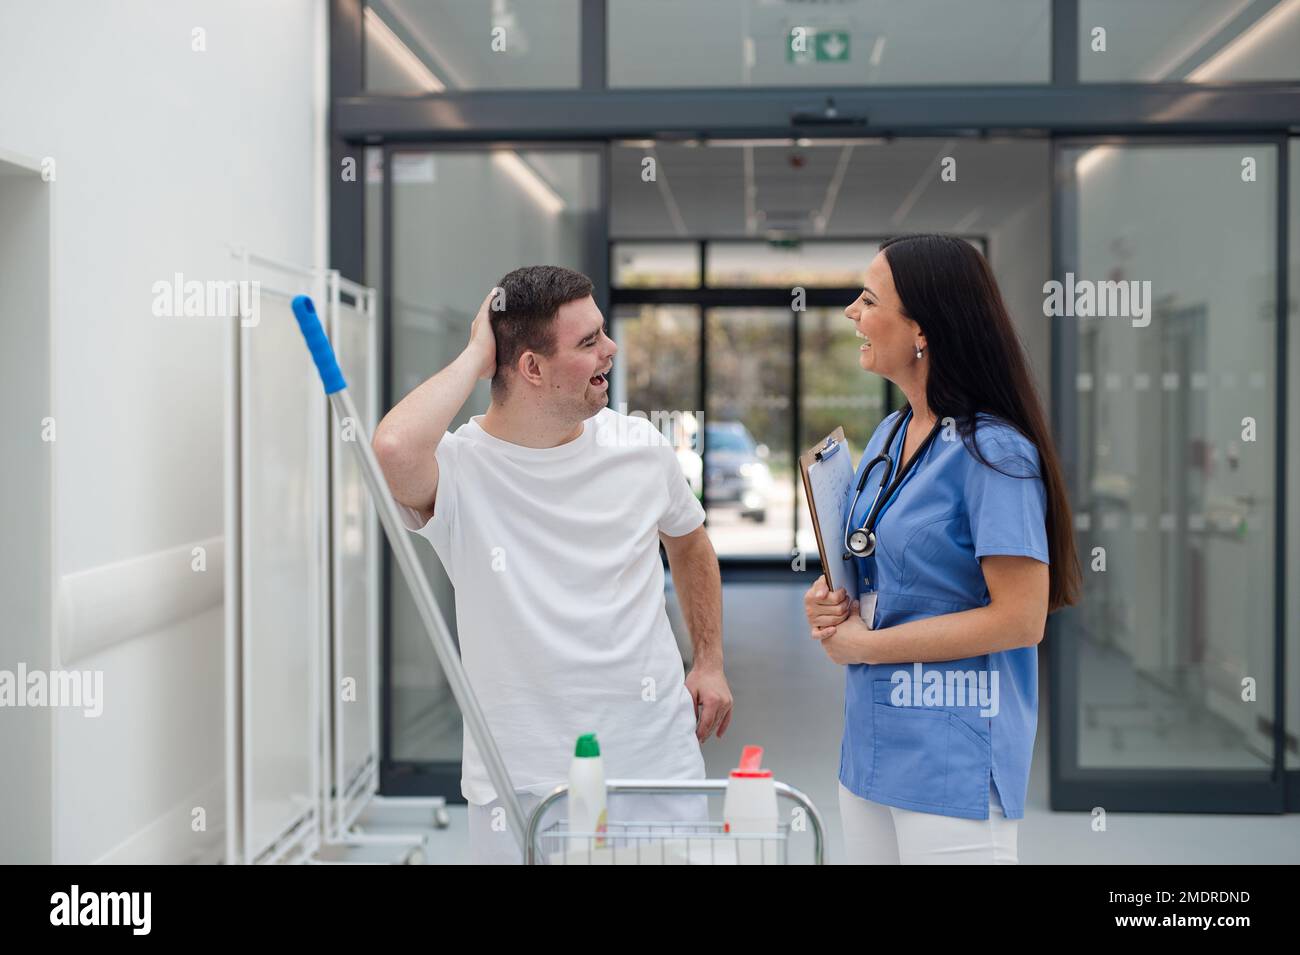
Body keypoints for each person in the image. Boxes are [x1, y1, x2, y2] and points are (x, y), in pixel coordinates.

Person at [373, 265, 732, 864]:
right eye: (589, 341)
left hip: (653, 762)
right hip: (520, 777)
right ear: (531, 368)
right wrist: (475, 355)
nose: (610, 349)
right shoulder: (459, 469)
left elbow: (690, 543)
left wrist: (711, 661)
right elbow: (391, 448)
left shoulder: (640, 449)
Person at [803, 234, 1082, 864]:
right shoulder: (890, 432)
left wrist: (867, 646)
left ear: (922, 329)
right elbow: (876, 568)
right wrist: (832, 605)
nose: (851, 312)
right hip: (872, 744)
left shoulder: (995, 452)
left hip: (952, 752)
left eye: (868, 299)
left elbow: (1020, 618)